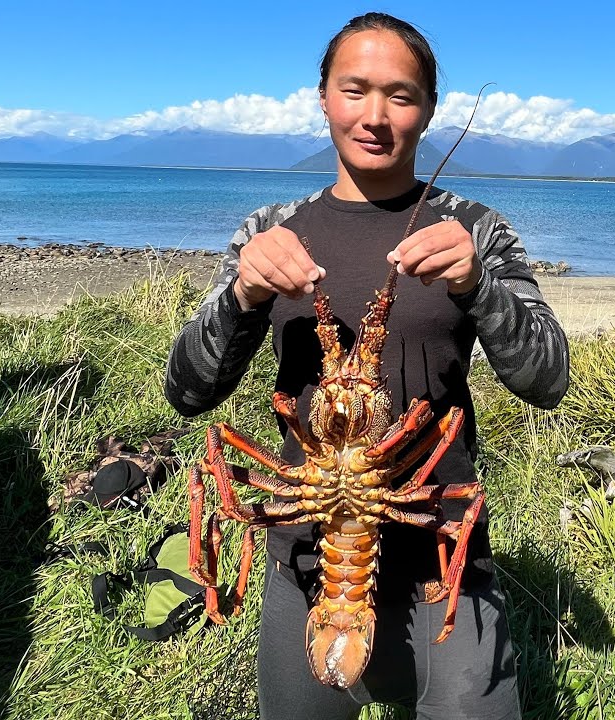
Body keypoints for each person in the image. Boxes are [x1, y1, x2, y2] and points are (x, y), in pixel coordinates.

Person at [163, 12, 569, 720]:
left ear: (429, 108)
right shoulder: (268, 230)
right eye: (354, 90)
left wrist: (479, 285)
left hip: (446, 570)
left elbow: (548, 379)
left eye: (400, 95)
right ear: (323, 96)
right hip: (308, 565)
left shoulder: (475, 229)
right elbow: (188, 392)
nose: (375, 115)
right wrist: (243, 294)